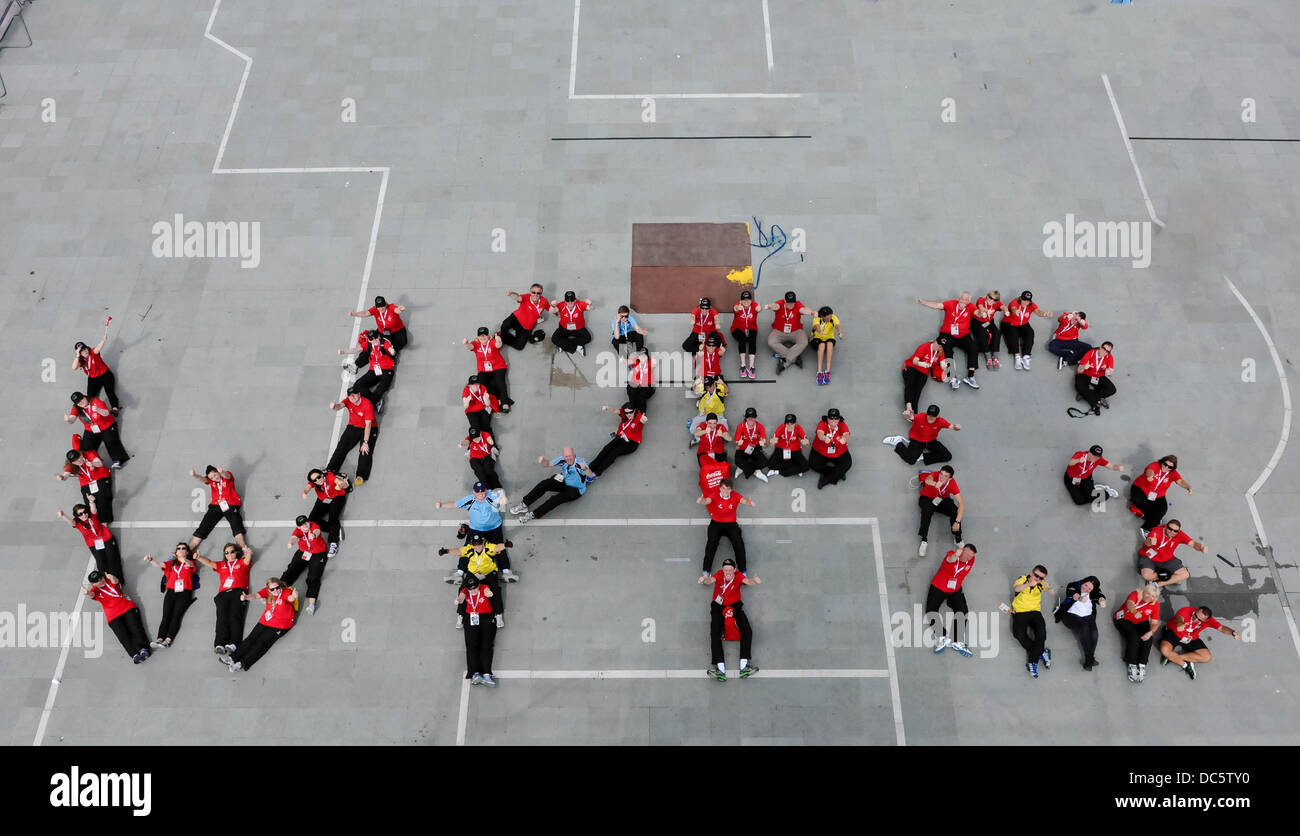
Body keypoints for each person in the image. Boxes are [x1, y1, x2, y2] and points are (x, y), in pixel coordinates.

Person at [434, 482, 518, 582]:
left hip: (494, 527)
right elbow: (455, 504)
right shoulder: (470, 500)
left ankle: (506, 572)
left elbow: (504, 501)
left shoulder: (491, 495)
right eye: (478, 492)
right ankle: (459, 573)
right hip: (476, 528)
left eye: (482, 491)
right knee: (467, 549)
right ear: (474, 492)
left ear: (485, 490)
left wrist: (503, 497)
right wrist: (442, 505)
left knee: (499, 547)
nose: (481, 494)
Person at [698, 558, 761, 681]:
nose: (727, 572)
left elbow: (747, 581)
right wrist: (704, 579)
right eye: (725, 569)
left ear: (735, 570)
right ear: (723, 569)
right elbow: (711, 580)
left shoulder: (738, 576)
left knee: (747, 630)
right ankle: (720, 670)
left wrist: (754, 581)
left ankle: (744, 668)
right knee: (715, 633)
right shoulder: (719, 574)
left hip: (735, 606)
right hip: (718, 607)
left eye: (730, 569)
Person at [219, 579, 297, 672]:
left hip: (281, 624)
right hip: (267, 620)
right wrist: (246, 597)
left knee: (262, 643)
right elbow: (256, 596)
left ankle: (242, 663)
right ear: (268, 589)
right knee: (251, 638)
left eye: (277, 588)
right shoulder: (266, 591)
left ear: (280, 586)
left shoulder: (286, 592)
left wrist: (293, 596)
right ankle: (232, 658)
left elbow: (290, 598)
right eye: (272, 589)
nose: (275, 591)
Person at [194, 543, 252, 655]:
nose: (229, 554)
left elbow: (247, 560)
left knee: (235, 617)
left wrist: (248, 554)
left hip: (238, 592)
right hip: (223, 594)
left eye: (232, 552)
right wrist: (199, 557)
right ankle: (219, 643)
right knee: (221, 619)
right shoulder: (222, 565)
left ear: (237, 553)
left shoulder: (241, 562)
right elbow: (210, 563)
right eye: (226, 552)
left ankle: (233, 643)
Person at [510, 448, 595, 523]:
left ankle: (533, 514)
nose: (568, 458)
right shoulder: (563, 460)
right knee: (544, 484)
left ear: (574, 455)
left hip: (576, 489)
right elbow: (549, 463)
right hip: (565, 481)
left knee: (555, 499)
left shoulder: (581, 464)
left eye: (570, 456)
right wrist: (543, 461)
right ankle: (524, 504)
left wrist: (584, 469)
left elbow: (591, 476)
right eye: (566, 456)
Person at [439, 535, 508, 626]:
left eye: (479, 544)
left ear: (483, 542)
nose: (477, 546)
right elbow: (459, 551)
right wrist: (446, 551)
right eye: (475, 544)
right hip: (473, 572)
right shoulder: (469, 549)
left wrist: (505, 545)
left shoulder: (488, 547)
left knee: (495, 590)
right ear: (473, 545)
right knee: (463, 589)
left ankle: (498, 614)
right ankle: (461, 615)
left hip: (489, 572)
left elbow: (496, 548)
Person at [83, 570, 150, 663]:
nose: (101, 580)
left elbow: (116, 582)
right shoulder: (95, 590)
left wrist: (111, 577)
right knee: (123, 635)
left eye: (101, 578)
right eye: (98, 580)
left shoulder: (110, 581)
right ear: (93, 584)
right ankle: (134, 654)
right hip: (113, 616)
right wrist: (87, 593)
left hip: (127, 608)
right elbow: (92, 595)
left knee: (135, 628)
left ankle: (144, 649)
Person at [1158, 605, 1239, 680]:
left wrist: (1232, 632)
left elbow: (1221, 628)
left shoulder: (1209, 621)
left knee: (1207, 657)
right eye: (1195, 615)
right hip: (1174, 633)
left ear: (1206, 620)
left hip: (1191, 638)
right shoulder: (1186, 610)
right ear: (1196, 610)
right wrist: (1180, 624)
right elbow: (1179, 618)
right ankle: (1185, 665)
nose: (1195, 619)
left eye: (1199, 619)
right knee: (1164, 649)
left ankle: (1173, 657)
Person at [916, 292, 980, 389]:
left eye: (966, 300)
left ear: (969, 301)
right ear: (959, 298)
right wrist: (923, 302)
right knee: (947, 351)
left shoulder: (971, 306)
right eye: (962, 298)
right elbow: (937, 305)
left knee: (973, 348)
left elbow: (977, 313)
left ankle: (970, 377)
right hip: (947, 334)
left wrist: (983, 313)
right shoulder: (950, 303)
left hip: (963, 335)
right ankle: (953, 378)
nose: (963, 301)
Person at [143, 544, 199, 649]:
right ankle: (160, 638)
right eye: (179, 548)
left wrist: (182, 557)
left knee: (176, 617)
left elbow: (189, 563)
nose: (181, 550)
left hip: (184, 592)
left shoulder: (190, 563)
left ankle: (168, 640)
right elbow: (160, 564)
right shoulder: (171, 563)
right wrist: (151, 560)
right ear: (176, 551)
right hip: (171, 592)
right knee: (165, 616)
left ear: (187, 552)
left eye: (183, 548)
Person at [926, 544, 977, 658]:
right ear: (962, 551)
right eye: (968, 554)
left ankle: (956, 640)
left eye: (971, 556)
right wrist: (956, 555)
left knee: (962, 611)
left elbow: (964, 565)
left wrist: (966, 558)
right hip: (938, 587)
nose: (969, 558)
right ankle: (941, 636)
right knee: (931, 610)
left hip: (955, 589)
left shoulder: (971, 560)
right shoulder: (951, 554)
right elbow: (950, 559)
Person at [697, 478, 755, 575]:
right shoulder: (715, 494)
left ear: (731, 489)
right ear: (720, 488)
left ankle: (743, 571)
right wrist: (702, 500)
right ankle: (706, 570)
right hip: (716, 524)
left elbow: (744, 501)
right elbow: (707, 501)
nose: (725, 491)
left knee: (739, 544)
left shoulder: (735, 495)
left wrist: (749, 502)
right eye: (723, 488)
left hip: (731, 525)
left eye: (728, 488)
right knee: (711, 544)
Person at [186, 465, 249, 553]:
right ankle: (185, 552)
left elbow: (227, 476)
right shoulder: (211, 481)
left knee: (236, 526)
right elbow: (203, 479)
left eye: (215, 475)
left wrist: (222, 471)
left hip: (230, 505)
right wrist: (195, 475)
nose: (214, 478)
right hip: (215, 506)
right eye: (211, 477)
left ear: (218, 472)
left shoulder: (227, 477)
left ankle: (244, 550)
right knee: (203, 528)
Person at [58, 498, 123, 579]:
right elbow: (71, 522)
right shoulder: (77, 523)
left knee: (112, 559)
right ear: (77, 516)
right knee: (101, 564)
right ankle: (107, 581)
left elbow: (93, 509)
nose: (84, 514)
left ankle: (118, 580)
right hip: (93, 544)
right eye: (80, 514)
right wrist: (63, 515)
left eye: (85, 512)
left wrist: (91, 501)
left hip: (106, 538)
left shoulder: (92, 515)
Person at [327, 387, 378, 487]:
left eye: (354, 394)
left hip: (368, 428)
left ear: (359, 394)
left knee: (365, 451)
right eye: (350, 395)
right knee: (341, 447)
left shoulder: (367, 404)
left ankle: (361, 475)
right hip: (353, 427)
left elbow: (368, 425)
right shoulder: (348, 400)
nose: (352, 397)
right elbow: (339, 406)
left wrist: (365, 442)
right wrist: (334, 406)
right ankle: (330, 469)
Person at [1054, 575, 1106, 670]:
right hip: (1070, 615)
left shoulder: (1094, 591)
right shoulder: (1073, 585)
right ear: (1083, 581)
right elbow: (1072, 593)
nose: (1086, 589)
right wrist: (1080, 598)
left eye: (1089, 588)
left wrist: (1102, 600)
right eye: (1085, 585)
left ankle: (1089, 658)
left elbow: (1099, 595)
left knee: (1094, 634)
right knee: (1084, 628)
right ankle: (1089, 660)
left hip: (1088, 615)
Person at [1010, 565, 1054, 678]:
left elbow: (1051, 592)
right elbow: (1016, 589)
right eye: (1036, 575)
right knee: (1018, 634)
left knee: (1041, 634)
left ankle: (1032, 662)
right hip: (1020, 611)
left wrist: (1049, 588)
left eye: (1041, 578)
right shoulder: (1023, 578)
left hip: (1035, 612)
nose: (1038, 579)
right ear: (1032, 573)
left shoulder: (1041, 583)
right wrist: (1029, 584)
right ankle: (1041, 652)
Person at [65, 392, 129, 467]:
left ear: (84, 397)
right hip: (91, 429)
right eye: (77, 402)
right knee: (86, 447)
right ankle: (93, 463)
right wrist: (68, 419)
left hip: (106, 425)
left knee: (110, 441)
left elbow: (106, 413)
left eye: (81, 399)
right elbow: (72, 419)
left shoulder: (96, 401)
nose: (80, 402)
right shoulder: (76, 408)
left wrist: (98, 410)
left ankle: (118, 460)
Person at [1112, 584, 1160, 682]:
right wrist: (1134, 611)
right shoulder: (1135, 594)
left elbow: (1154, 622)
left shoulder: (1155, 604)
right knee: (1134, 637)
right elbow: (1130, 603)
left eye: (1153, 596)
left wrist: (1151, 632)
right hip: (1124, 618)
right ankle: (1132, 663)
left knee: (1149, 638)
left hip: (1141, 621)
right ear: (1144, 591)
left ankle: (1142, 664)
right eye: (1148, 594)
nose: (1149, 597)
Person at [1138, 519, 1208, 588]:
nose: (1172, 532)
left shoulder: (1180, 535)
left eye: (1175, 531)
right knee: (1146, 576)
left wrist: (1201, 548)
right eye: (1170, 529)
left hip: (1167, 559)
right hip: (1149, 557)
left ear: (1178, 531)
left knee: (1185, 574)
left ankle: (1156, 585)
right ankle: (1166, 575)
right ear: (1166, 526)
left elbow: (1193, 544)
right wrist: (1150, 541)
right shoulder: (1157, 530)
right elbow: (1147, 542)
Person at [883, 404, 960, 466]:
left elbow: (952, 426)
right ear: (926, 413)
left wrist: (956, 427)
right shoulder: (920, 417)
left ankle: (923, 456)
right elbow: (911, 417)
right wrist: (907, 414)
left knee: (947, 456)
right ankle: (897, 442)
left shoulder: (941, 421)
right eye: (929, 415)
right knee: (911, 460)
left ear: (938, 416)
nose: (930, 417)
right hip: (917, 440)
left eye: (933, 416)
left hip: (931, 441)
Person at [1129, 455, 1190, 532]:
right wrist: (1150, 476)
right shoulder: (1155, 465)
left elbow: (1180, 481)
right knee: (1139, 501)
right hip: (1141, 489)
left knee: (1162, 509)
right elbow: (1150, 470)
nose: (1166, 467)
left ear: (1173, 468)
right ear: (1162, 462)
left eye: (1170, 467)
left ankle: (1146, 529)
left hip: (1158, 495)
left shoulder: (1173, 473)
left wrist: (1188, 487)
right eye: (1165, 464)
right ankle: (1150, 516)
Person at [281, 515, 328, 615]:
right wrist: (290, 542)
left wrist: (314, 536)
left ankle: (311, 604)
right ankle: (279, 590)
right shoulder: (298, 531)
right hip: (304, 551)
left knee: (313, 576)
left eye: (306, 522)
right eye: (302, 525)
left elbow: (317, 531)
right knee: (291, 569)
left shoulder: (313, 526)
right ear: (299, 527)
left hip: (318, 553)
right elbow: (293, 537)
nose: (305, 525)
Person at [458, 575, 498, 687]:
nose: (473, 590)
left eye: (475, 587)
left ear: (478, 585)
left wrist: (488, 593)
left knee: (486, 645)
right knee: (471, 646)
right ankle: (475, 673)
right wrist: (459, 599)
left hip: (486, 617)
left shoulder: (483, 587)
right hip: (471, 618)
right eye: (470, 589)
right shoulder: (465, 590)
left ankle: (486, 673)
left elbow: (487, 590)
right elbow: (461, 596)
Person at [339, 329, 397, 408]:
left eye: (375, 337)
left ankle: (371, 402)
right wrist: (344, 352)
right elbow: (356, 349)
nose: (374, 340)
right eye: (371, 339)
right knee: (357, 385)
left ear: (379, 337)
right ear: (369, 340)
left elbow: (390, 349)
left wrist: (392, 351)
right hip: (373, 370)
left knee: (382, 387)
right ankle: (375, 401)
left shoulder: (384, 343)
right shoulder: (369, 344)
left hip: (387, 369)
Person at [589, 403, 648, 475]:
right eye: (626, 412)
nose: (628, 414)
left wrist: (643, 418)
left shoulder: (638, 417)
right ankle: (591, 467)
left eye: (630, 412)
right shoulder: (625, 414)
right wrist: (607, 408)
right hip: (621, 436)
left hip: (632, 443)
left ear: (635, 410)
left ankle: (597, 473)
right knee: (607, 448)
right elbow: (615, 410)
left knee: (614, 453)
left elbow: (643, 420)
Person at [1000, 290, 1054, 370]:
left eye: (1027, 301)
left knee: (1030, 333)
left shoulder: (1031, 304)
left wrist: (1046, 314)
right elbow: (1013, 309)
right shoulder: (1014, 302)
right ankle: (1017, 357)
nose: (1025, 302)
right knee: (1013, 334)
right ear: (1020, 298)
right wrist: (1016, 312)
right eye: (1024, 300)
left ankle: (1026, 356)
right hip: (1009, 323)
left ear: (1030, 301)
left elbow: (1038, 311)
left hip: (1023, 324)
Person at [917, 465, 963, 556]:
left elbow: (961, 503)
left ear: (950, 478)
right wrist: (934, 483)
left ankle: (958, 538)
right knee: (926, 512)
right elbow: (927, 480)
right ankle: (924, 540)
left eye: (945, 476)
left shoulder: (952, 483)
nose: (941, 477)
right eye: (941, 474)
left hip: (942, 500)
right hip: (927, 498)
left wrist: (957, 521)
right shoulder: (935, 474)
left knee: (954, 510)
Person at [59, 449, 115, 524]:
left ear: (81, 454)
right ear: (72, 462)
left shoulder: (89, 454)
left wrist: (92, 463)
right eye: (75, 461)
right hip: (86, 483)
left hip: (100, 477)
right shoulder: (71, 465)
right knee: (89, 503)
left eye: (78, 458)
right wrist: (62, 477)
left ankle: (105, 520)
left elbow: (99, 463)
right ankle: (95, 521)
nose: (78, 461)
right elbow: (66, 474)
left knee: (102, 499)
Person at [73, 324, 121, 411]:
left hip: (105, 375)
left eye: (85, 349)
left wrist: (103, 340)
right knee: (90, 397)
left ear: (87, 348)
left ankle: (115, 408)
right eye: (81, 351)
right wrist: (77, 355)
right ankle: (93, 412)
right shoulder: (80, 360)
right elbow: (74, 367)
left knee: (109, 391)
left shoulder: (92, 353)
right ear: (79, 353)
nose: (84, 351)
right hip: (93, 379)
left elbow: (98, 348)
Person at [463, 327, 513, 410]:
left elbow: (498, 345)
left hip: (498, 366)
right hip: (483, 369)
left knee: (499, 383)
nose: (483, 337)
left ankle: (505, 402)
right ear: (478, 337)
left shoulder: (492, 342)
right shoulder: (476, 344)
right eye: (480, 336)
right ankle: (497, 399)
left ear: (488, 336)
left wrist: (498, 340)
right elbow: (470, 347)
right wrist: (466, 343)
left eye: (484, 335)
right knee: (482, 385)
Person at [765, 291, 814, 374]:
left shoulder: (798, 304)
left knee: (804, 342)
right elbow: (775, 306)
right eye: (788, 303)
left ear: (795, 301)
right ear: (785, 301)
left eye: (792, 303)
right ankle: (795, 357)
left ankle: (784, 362)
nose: (790, 305)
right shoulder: (780, 303)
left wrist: (812, 312)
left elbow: (804, 310)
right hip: (779, 330)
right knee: (771, 342)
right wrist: (770, 306)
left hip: (796, 331)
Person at [302, 468, 349, 554]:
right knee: (312, 520)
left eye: (319, 477)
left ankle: (333, 542)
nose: (318, 480)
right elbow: (308, 487)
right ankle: (335, 530)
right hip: (324, 499)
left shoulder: (330, 477)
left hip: (336, 498)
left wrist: (339, 485)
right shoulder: (315, 482)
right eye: (315, 480)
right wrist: (304, 492)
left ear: (322, 474)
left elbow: (343, 484)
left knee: (332, 519)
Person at [900, 338, 949, 413]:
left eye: (941, 346)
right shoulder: (924, 347)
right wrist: (922, 364)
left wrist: (944, 366)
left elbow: (942, 365)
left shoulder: (940, 352)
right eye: (938, 344)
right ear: (935, 341)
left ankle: (914, 412)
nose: (939, 347)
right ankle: (908, 408)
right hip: (911, 367)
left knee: (918, 390)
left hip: (924, 372)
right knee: (910, 385)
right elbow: (914, 361)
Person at [809, 408, 852, 489]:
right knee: (813, 464)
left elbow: (846, 434)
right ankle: (838, 473)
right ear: (827, 418)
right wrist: (823, 438)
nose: (833, 420)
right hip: (821, 451)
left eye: (836, 418)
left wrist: (845, 439)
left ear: (839, 419)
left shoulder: (842, 424)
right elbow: (819, 433)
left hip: (838, 451)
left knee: (847, 464)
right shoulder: (822, 423)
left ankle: (826, 480)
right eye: (831, 418)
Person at [500, 283, 550, 349]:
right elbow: (517, 297)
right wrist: (511, 293)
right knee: (504, 325)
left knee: (519, 346)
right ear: (530, 292)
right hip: (516, 318)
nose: (536, 295)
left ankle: (502, 338)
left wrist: (558, 311)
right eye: (533, 292)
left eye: (538, 293)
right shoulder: (526, 297)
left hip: (526, 328)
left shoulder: (544, 301)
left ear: (541, 293)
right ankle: (501, 336)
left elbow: (551, 309)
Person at [460, 427, 505, 497]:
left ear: (480, 433)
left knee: (489, 470)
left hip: (486, 455)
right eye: (474, 438)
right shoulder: (470, 438)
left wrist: (490, 441)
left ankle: (497, 486)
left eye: (477, 437)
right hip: (474, 457)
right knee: (479, 471)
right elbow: (466, 441)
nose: (476, 440)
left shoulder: (485, 434)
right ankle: (488, 489)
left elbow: (489, 438)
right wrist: (462, 443)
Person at [1074, 341, 1116, 415]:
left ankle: (1085, 394)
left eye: (1107, 351)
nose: (1104, 352)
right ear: (1100, 347)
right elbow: (1079, 370)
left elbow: (1111, 372)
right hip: (1085, 374)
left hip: (1098, 376)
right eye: (1104, 349)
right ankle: (1097, 401)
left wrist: (1108, 371)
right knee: (1079, 385)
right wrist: (1084, 367)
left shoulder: (1109, 357)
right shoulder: (1091, 353)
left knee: (1112, 389)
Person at [767, 413, 811, 478]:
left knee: (806, 466)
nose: (789, 426)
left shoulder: (798, 428)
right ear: (785, 424)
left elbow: (808, 444)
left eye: (792, 424)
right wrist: (771, 442)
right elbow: (772, 441)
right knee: (770, 465)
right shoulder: (781, 427)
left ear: (795, 424)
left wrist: (807, 443)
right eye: (787, 424)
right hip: (781, 449)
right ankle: (795, 467)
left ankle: (778, 471)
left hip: (795, 450)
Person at [732, 408, 770, 483]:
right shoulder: (741, 426)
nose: (750, 419)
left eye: (753, 417)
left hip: (755, 448)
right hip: (743, 449)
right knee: (737, 461)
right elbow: (736, 446)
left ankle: (743, 467)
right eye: (748, 417)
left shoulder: (760, 426)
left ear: (755, 418)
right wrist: (738, 444)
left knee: (764, 462)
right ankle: (756, 473)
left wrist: (765, 444)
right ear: (746, 418)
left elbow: (765, 445)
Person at [550, 290, 594, 356]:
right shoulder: (562, 305)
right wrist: (552, 305)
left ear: (575, 300)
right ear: (565, 301)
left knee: (588, 338)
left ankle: (563, 345)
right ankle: (577, 347)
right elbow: (552, 311)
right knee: (554, 339)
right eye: (567, 300)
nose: (570, 302)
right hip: (564, 328)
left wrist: (590, 304)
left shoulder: (579, 304)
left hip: (578, 329)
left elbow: (590, 308)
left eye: (572, 300)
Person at [730, 290, 760, 379]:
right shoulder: (738, 306)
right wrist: (737, 308)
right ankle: (743, 365)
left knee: (752, 340)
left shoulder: (754, 305)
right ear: (741, 301)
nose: (746, 302)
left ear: (751, 300)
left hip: (751, 329)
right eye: (744, 300)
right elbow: (735, 309)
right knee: (742, 339)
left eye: (748, 300)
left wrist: (759, 308)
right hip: (737, 329)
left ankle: (751, 366)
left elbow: (758, 308)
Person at [810, 306, 842, 385]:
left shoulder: (832, 317)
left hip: (829, 337)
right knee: (822, 345)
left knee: (830, 344)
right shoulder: (817, 318)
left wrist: (839, 332)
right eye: (827, 318)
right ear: (822, 316)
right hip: (817, 338)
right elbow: (816, 326)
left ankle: (827, 371)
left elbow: (837, 325)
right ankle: (819, 372)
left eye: (830, 316)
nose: (829, 319)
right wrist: (820, 331)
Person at [971, 290, 1003, 369]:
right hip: (978, 322)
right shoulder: (981, 299)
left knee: (997, 332)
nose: (992, 300)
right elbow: (981, 307)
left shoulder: (996, 303)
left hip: (989, 322)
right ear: (987, 296)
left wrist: (1006, 310)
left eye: (995, 300)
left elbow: (1003, 306)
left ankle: (995, 357)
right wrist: (987, 311)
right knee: (983, 334)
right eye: (990, 298)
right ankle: (988, 356)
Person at [625, 346, 655, 414]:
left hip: (648, 386)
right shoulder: (635, 362)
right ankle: (632, 410)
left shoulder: (650, 363)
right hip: (637, 384)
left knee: (641, 398)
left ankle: (641, 414)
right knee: (631, 391)